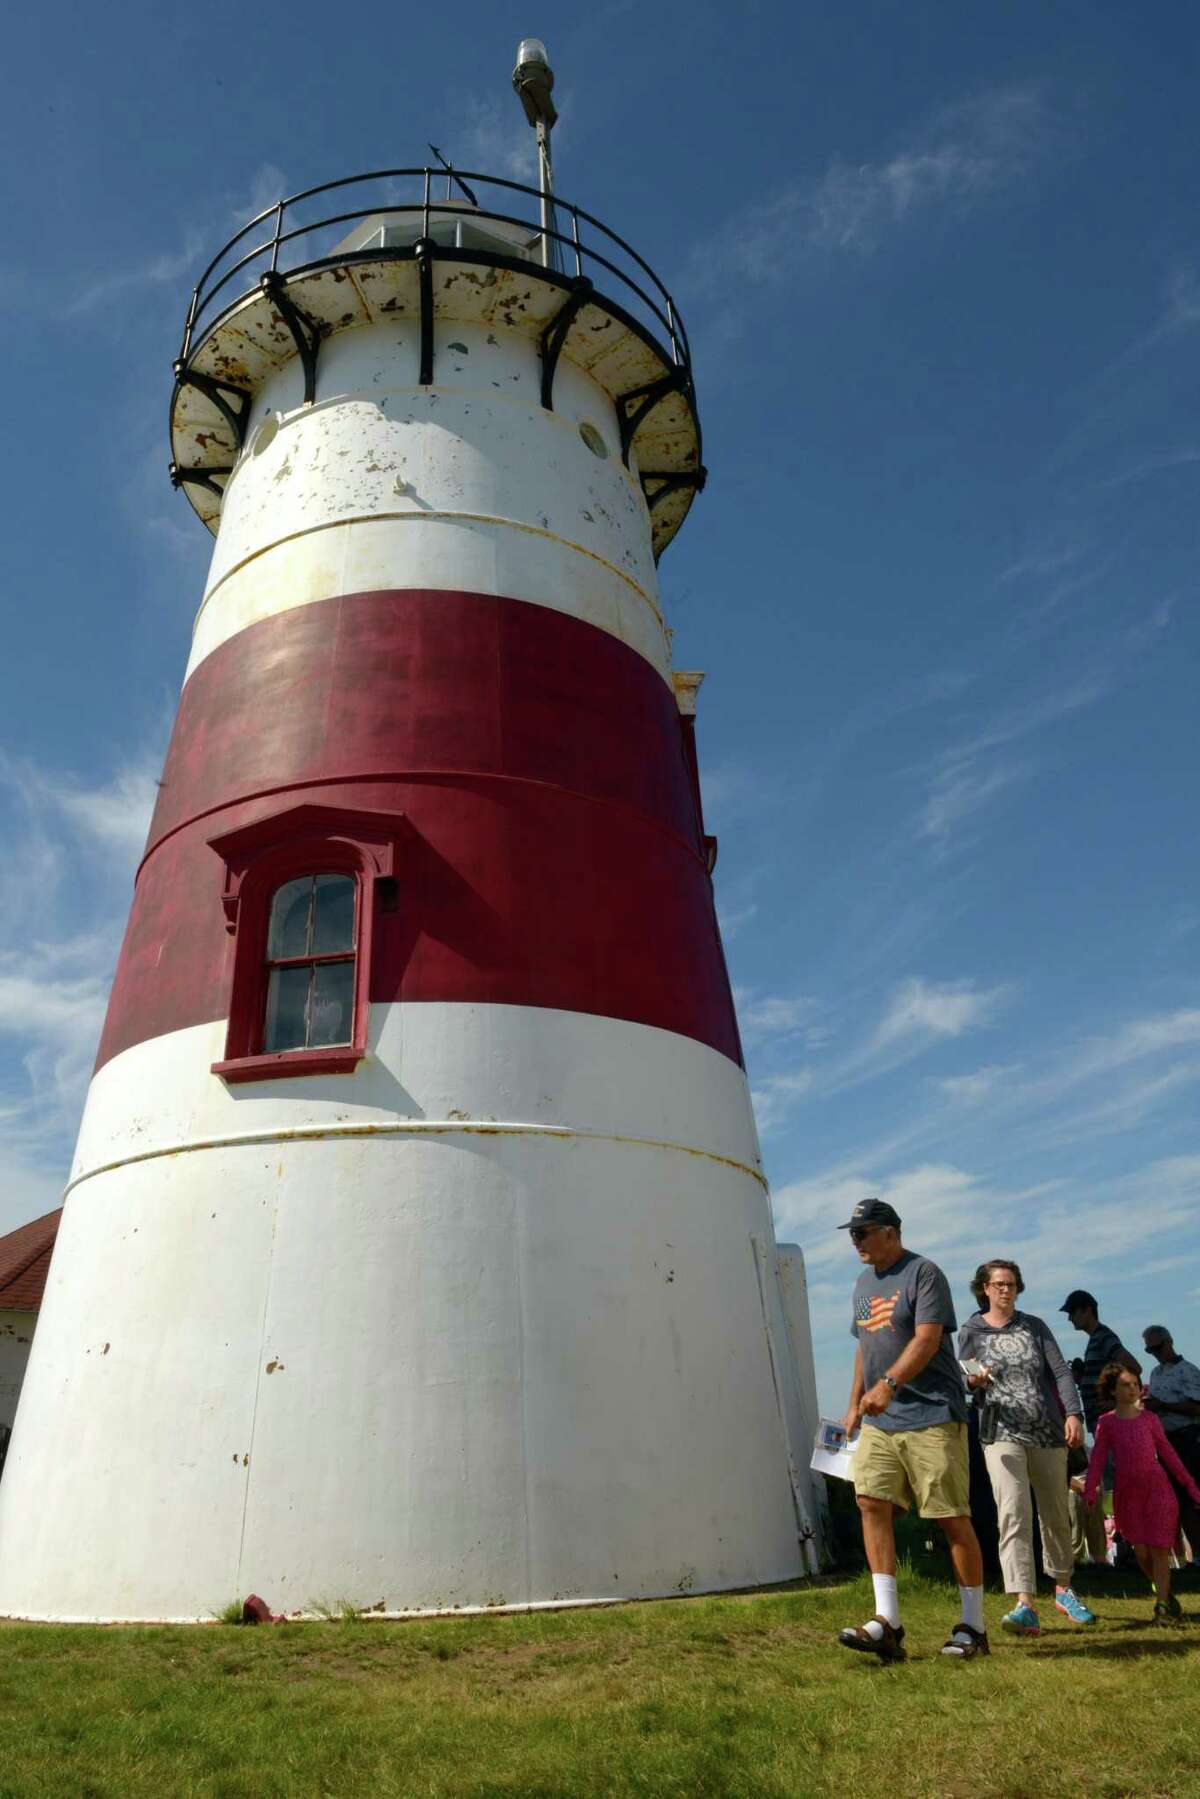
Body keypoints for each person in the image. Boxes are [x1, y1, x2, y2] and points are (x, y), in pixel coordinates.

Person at [836, 1197, 988, 1664]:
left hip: (932, 1415)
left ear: (891, 1232)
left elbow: (926, 1338)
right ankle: (887, 1622)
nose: (855, 1241)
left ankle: (973, 1627)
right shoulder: (863, 1282)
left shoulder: (924, 1273)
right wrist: (854, 1404)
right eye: (852, 1234)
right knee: (870, 1502)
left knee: (949, 1517)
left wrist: (889, 1384)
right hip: (882, 1418)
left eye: (862, 1232)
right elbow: (865, 1344)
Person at [958, 1259, 1095, 1635]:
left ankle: (1064, 1588)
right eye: (999, 1284)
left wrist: (1074, 1415)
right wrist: (975, 1380)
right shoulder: (971, 1331)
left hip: (1047, 1431)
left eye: (1012, 1284)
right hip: (1000, 1433)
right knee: (1013, 1512)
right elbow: (964, 1377)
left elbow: (1061, 1373)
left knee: (1054, 1512)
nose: (1006, 1290)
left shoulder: (1034, 1326)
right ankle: (1024, 1602)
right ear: (984, 1288)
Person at [1083, 1363, 1200, 1622]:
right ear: (1113, 1390)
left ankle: (1161, 1607)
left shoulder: (1150, 1420)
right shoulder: (1107, 1424)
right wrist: (1090, 1492)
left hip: (1158, 1488)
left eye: (1135, 1383)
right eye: (1126, 1384)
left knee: (1159, 1548)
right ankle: (1164, 1592)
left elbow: (1169, 1454)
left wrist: (1192, 1487)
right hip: (1128, 1494)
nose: (1133, 1388)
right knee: (1142, 1552)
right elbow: (1098, 1460)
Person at [1061, 1290, 1141, 1564]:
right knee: (1117, 1483)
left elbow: (1132, 1366)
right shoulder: (1097, 1341)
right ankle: (1128, 1545)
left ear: (1087, 1310)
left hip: (1110, 1425)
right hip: (1102, 1426)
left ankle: (1130, 1545)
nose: (1070, 1318)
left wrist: (1113, 1402)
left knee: (1122, 1483)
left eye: (1073, 1312)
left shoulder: (1105, 1338)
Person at [1141, 1325, 1200, 1561]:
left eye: (1158, 1347)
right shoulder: (1155, 1373)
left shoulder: (1189, 1371)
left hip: (1189, 1438)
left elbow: (1197, 1407)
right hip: (1166, 1443)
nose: (1155, 1353)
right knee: (1176, 1501)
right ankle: (1193, 1555)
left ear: (1170, 1342)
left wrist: (1163, 1406)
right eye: (1150, 1350)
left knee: (1193, 1497)